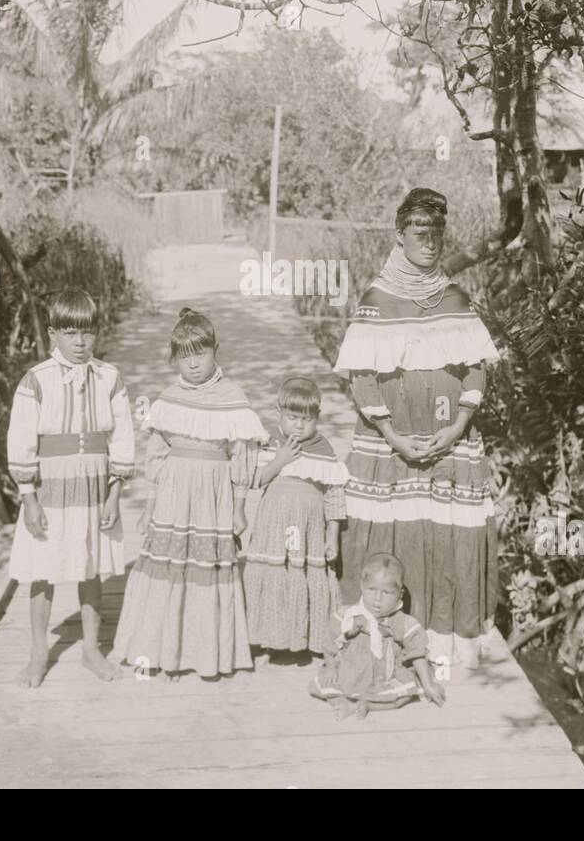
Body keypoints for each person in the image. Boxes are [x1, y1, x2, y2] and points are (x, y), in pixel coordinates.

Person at [333, 187, 508, 673]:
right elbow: (362, 375)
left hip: (448, 444)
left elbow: (475, 368)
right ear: (399, 236)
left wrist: (457, 427)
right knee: (391, 530)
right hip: (392, 446)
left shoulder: (454, 298)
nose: (430, 243)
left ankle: (444, 642)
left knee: (446, 535)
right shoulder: (377, 299)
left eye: (437, 234)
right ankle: (378, 637)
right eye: (419, 234)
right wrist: (391, 434)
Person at [112, 307, 267, 678]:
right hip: (173, 495)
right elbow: (158, 455)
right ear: (174, 359)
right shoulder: (167, 398)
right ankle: (158, 648)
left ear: (217, 350)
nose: (193, 364)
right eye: (184, 357)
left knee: (206, 566)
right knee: (170, 566)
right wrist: (150, 505)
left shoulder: (233, 397)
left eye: (200, 354)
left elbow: (241, 455)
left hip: (213, 497)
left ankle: (206, 652)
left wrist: (240, 506)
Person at [7, 288, 133, 687]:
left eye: (87, 333)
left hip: (96, 485)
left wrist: (114, 492)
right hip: (50, 487)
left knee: (91, 565)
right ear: (52, 335)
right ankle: (39, 652)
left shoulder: (110, 378)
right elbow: (21, 439)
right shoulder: (35, 381)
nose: (80, 343)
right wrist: (29, 497)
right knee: (41, 569)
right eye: (70, 333)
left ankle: (92, 650)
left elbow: (122, 438)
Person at [243, 376, 348, 661]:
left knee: (305, 577)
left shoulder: (325, 451)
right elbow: (255, 480)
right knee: (274, 576)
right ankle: (268, 639)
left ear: (317, 418)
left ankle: (307, 638)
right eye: (292, 417)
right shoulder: (271, 444)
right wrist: (280, 460)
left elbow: (335, 496)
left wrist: (332, 536)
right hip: (274, 524)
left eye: (307, 419)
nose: (299, 425)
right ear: (279, 414)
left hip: (310, 527)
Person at [308, 552, 446, 719]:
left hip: (385, 676)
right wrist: (330, 665)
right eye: (371, 590)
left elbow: (417, 652)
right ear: (361, 586)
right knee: (325, 685)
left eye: (386, 593)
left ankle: (365, 704)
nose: (377, 599)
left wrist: (429, 684)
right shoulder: (348, 615)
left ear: (400, 594)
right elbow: (331, 643)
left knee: (407, 693)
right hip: (351, 672)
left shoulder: (401, 622)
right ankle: (343, 703)